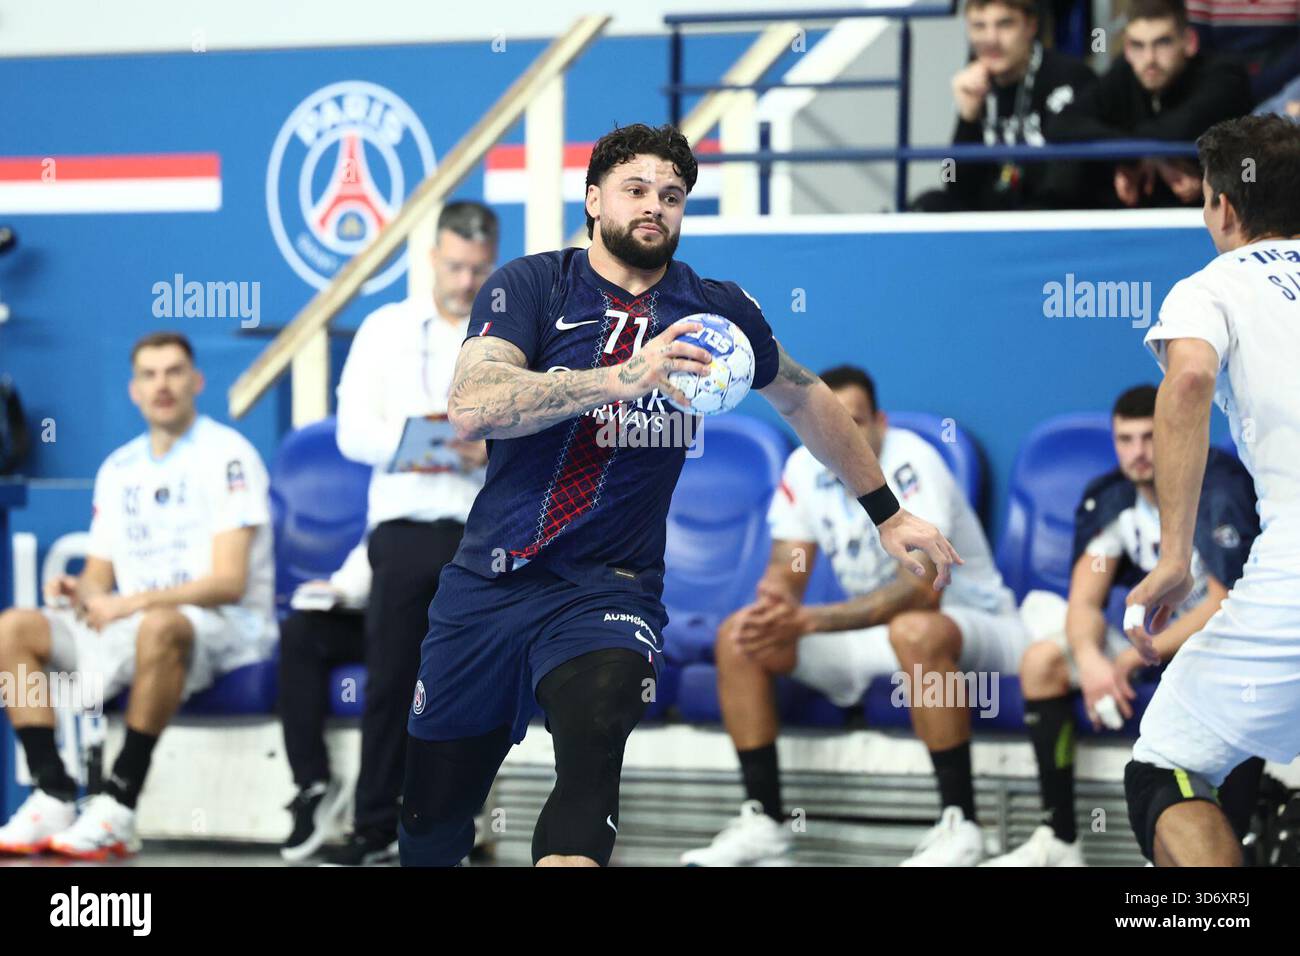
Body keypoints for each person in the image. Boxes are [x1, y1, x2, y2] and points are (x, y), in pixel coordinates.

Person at [398, 123, 961, 868]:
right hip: (490, 583)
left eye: (672, 195)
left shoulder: (714, 313)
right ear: (595, 199)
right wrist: (621, 376)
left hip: (609, 586)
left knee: (597, 738)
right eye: (635, 190)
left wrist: (886, 512)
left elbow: (804, 396)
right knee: (434, 819)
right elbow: (473, 403)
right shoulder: (532, 285)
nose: (654, 206)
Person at [680, 366, 1027, 867]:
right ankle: (766, 822)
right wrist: (774, 604)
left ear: (880, 422)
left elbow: (922, 592)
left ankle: (962, 824)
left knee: (914, 631)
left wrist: (811, 621)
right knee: (742, 635)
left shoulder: (913, 461)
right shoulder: (803, 468)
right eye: (830, 421)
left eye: (857, 421)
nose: (844, 433)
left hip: (975, 624)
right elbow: (787, 569)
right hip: (877, 638)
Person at [0, 332, 276, 859]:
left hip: (223, 629)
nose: (162, 385)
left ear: (197, 382)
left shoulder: (229, 456)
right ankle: (52, 790)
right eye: (149, 375)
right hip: (137, 623)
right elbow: (101, 577)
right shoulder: (118, 468)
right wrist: (78, 590)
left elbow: (229, 582)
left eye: (174, 373)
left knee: (161, 624)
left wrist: (128, 603)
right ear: (134, 391)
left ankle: (118, 803)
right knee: (14, 626)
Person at [983, 384, 1262, 866]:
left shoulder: (1220, 485)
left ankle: (1230, 843)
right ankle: (1061, 838)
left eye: (1150, 437)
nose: (1138, 453)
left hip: (1216, 648)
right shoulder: (1112, 499)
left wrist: (1133, 657)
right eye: (1125, 440)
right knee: (1043, 661)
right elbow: (1084, 603)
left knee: (1231, 676)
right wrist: (1093, 664)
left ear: (1176, 433)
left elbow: (1225, 601)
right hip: (1154, 647)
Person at [1123, 113, 1300, 866]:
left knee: (1169, 767)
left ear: (1222, 207)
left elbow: (1189, 376)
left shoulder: (1214, 285)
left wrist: (1173, 557)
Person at [325, 200, 497, 865]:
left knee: (469, 685)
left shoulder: (512, 333)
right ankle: (374, 828)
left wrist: (489, 443)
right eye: (455, 266)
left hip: (482, 533)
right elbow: (352, 434)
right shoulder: (384, 329)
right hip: (401, 530)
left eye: (479, 269)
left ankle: (454, 827)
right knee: (393, 680)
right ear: (431, 257)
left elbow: (533, 430)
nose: (465, 282)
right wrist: (439, 440)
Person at [1047, 0, 1253, 207]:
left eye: (1162, 43)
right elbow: (1060, 125)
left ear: (1189, 42)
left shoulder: (1224, 77)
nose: (1150, 58)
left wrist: (1131, 153)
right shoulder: (1124, 74)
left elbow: (1178, 128)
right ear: (1127, 49)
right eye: (1138, 45)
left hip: (1222, 216)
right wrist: (1142, 157)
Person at [912, 0, 1099, 211]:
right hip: (995, 220)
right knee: (928, 203)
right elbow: (951, 182)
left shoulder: (1070, 77)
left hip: (1052, 217)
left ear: (1030, 26)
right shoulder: (977, 84)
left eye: (1004, 24)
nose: (991, 39)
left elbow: (1069, 183)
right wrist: (967, 118)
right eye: (979, 26)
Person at [277, 539, 368, 862]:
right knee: (299, 631)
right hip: (375, 609)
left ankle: (404, 800)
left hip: (424, 615)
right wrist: (338, 589)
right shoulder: (391, 491)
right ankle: (312, 783)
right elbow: (375, 548)